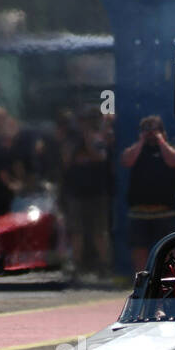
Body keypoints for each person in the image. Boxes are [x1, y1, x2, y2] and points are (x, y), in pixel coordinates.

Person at [121, 114, 175, 272]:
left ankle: (171, 283)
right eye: (147, 129)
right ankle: (141, 283)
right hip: (139, 211)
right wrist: (141, 141)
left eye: (155, 129)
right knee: (139, 250)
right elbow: (126, 161)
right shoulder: (136, 150)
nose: (151, 132)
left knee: (169, 250)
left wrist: (161, 140)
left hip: (164, 211)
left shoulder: (167, 148)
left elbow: (174, 161)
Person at [61, 109, 111, 276]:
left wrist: (88, 137)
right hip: (77, 193)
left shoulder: (99, 138)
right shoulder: (73, 140)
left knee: (99, 230)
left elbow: (99, 156)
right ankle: (77, 265)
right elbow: (66, 161)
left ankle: (104, 264)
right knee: (77, 231)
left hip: (97, 192)